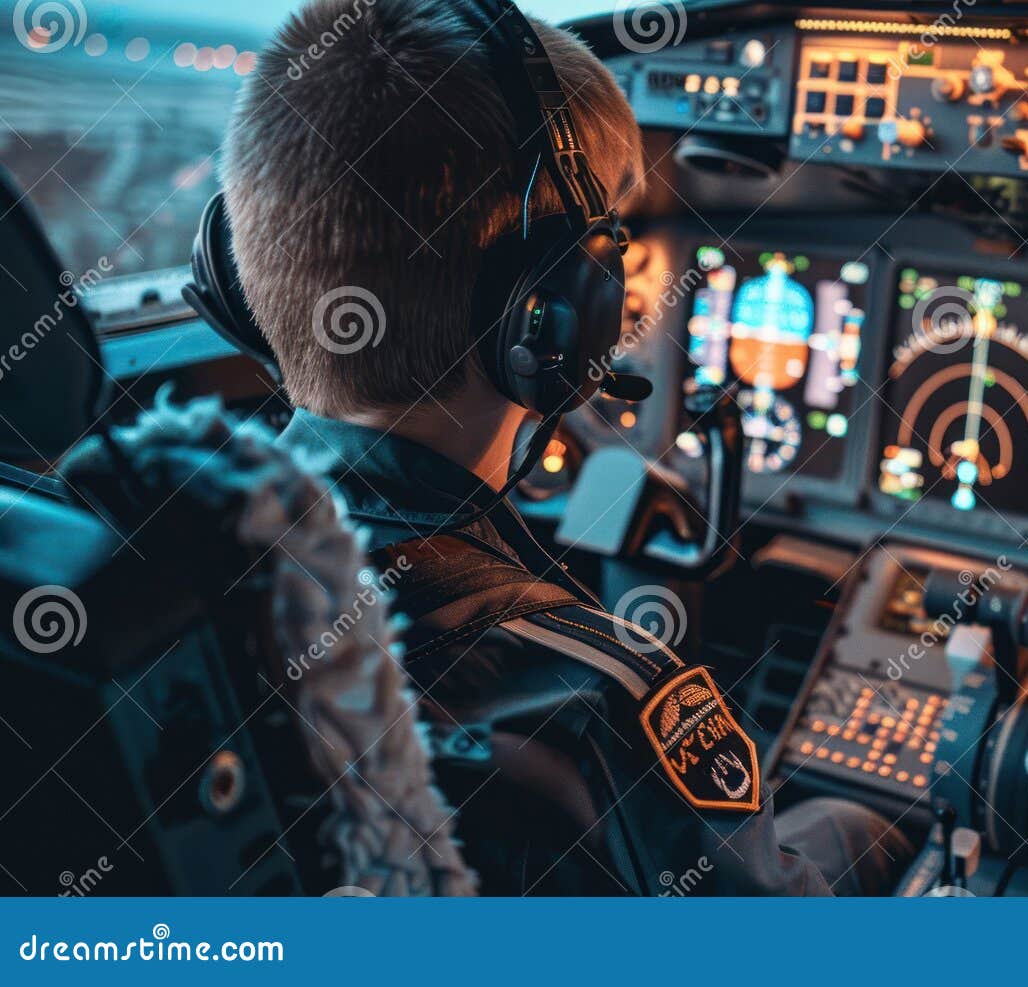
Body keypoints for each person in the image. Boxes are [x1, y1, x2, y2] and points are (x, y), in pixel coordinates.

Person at [219, 0, 909, 894]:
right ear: (557, 316)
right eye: (609, 262)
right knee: (857, 827)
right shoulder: (596, 696)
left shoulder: (151, 563)